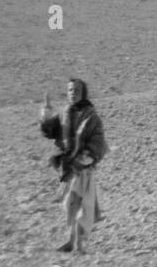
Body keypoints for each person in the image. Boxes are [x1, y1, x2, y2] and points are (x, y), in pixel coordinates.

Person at [39, 78, 107, 253]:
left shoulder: (92, 117)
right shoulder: (64, 113)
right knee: (70, 204)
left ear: (83, 92)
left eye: (76, 90)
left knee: (84, 205)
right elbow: (50, 131)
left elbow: (98, 142)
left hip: (83, 168)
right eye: (70, 90)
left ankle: (79, 243)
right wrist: (46, 111)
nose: (73, 93)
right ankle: (71, 241)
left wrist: (85, 158)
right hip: (68, 167)